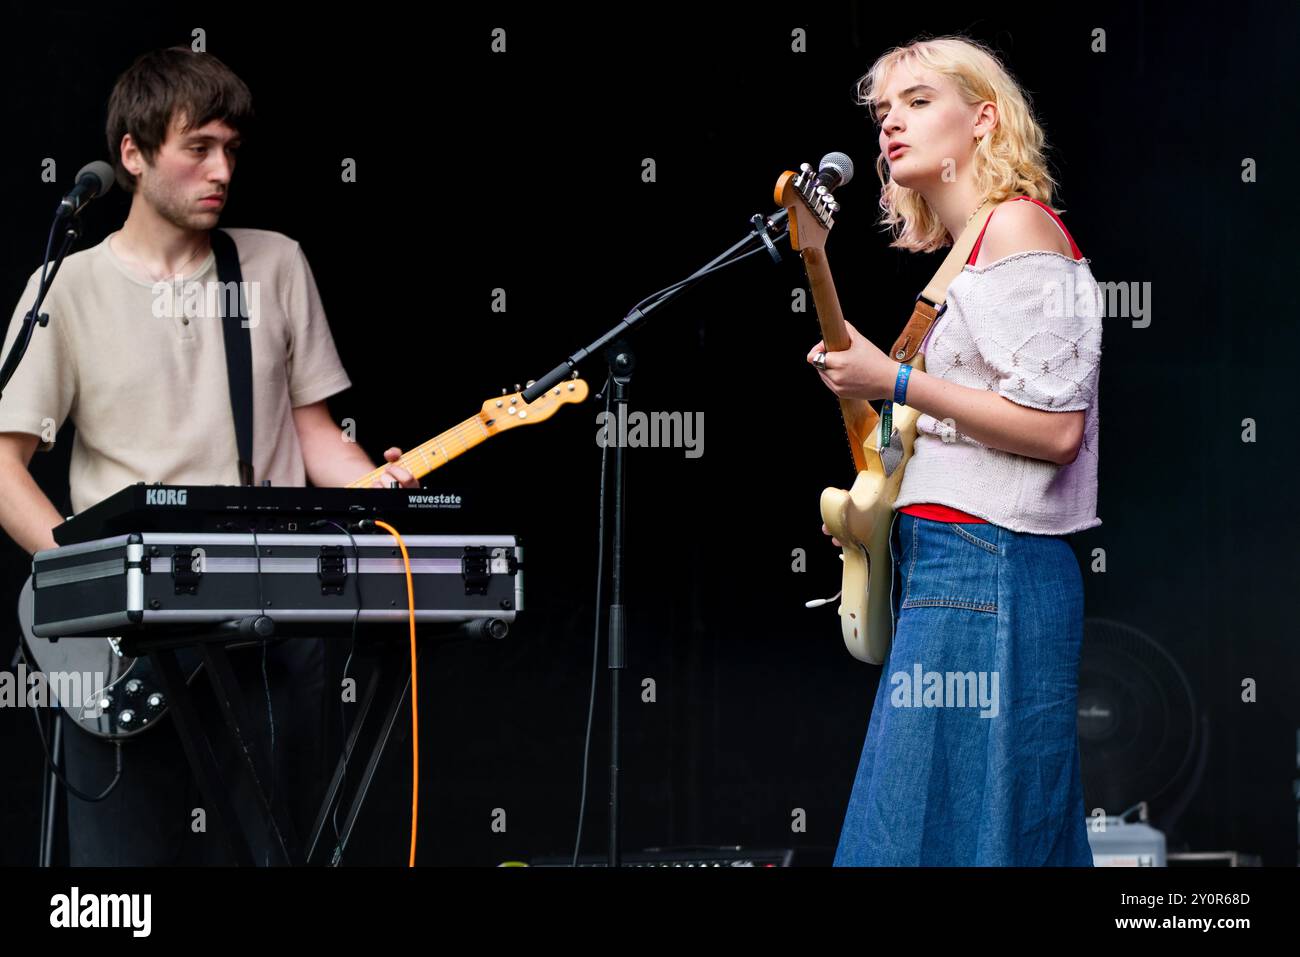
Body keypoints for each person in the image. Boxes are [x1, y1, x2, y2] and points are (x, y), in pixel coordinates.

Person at [0, 47, 418, 864]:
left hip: (269, 624)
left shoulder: (275, 263)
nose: (221, 169)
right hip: (127, 639)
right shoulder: (68, 286)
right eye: (198, 147)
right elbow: (2, 466)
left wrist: (380, 485)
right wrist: (87, 582)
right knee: (119, 892)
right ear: (133, 153)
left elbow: (313, 434)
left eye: (231, 148)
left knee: (275, 851)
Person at [808, 35, 1101, 866]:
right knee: (951, 836)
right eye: (881, 113)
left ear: (984, 118)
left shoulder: (1016, 227)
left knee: (924, 840)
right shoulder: (963, 257)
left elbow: (1054, 430)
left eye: (917, 101)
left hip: (991, 568)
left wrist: (892, 380)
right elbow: (957, 433)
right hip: (953, 565)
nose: (889, 126)